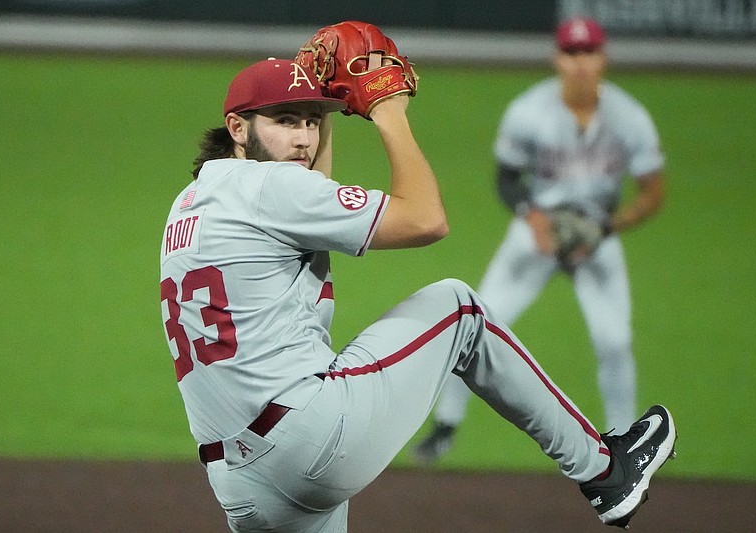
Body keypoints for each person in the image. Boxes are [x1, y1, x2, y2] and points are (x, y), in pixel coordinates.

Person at [159, 56, 675, 532]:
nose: (304, 139)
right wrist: (388, 112)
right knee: (460, 309)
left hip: (239, 483)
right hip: (309, 441)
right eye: (286, 120)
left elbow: (309, 196)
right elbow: (427, 219)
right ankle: (607, 472)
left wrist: (319, 95)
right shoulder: (270, 189)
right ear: (237, 127)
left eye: (313, 122)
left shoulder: (192, 203)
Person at [413, 16, 666, 466]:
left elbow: (653, 193)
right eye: (571, 53)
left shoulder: (631, 118)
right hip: (537, 232)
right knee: (474, 324)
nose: (581, 63)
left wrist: (607, 230)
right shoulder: (528, 111)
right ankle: (444, 427)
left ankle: (628, 441)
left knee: (615, 341)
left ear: (603, 58)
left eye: (588, 52)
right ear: (558, 58)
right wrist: (531, 219)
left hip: (595, 237)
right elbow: (506, 180)